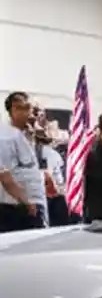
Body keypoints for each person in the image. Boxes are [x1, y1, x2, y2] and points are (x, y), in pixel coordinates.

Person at [0, 92, 46, 232]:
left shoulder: (27, 134)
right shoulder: (6, 137)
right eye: (19, 108)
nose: (25, 112)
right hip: (16, 207)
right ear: (10, 111)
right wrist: (25, 201)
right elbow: (5, 176)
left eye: (28, 108)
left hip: (34, 203)